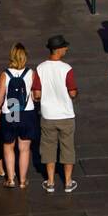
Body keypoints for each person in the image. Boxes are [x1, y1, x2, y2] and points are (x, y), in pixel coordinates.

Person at [32, 35, 79, 194]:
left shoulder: (40, 68)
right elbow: (72, 93)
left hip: (47, 115)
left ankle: (50, 182)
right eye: (65, 47)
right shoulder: (67, 69)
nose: (67, 49)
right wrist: (73, 93)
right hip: (65, 115)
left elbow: (36, 94)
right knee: (67, 148)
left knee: (48, 148)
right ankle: (67, 182)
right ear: (58, 50)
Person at [0, 43, 38, 189]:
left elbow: (0, 98)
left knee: (8, 146)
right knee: (24, 149)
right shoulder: (31, 73)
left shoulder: (5, 74)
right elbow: (35, 95)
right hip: (27, 112)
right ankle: (23, 181)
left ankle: (11, 179)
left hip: (12, 111)